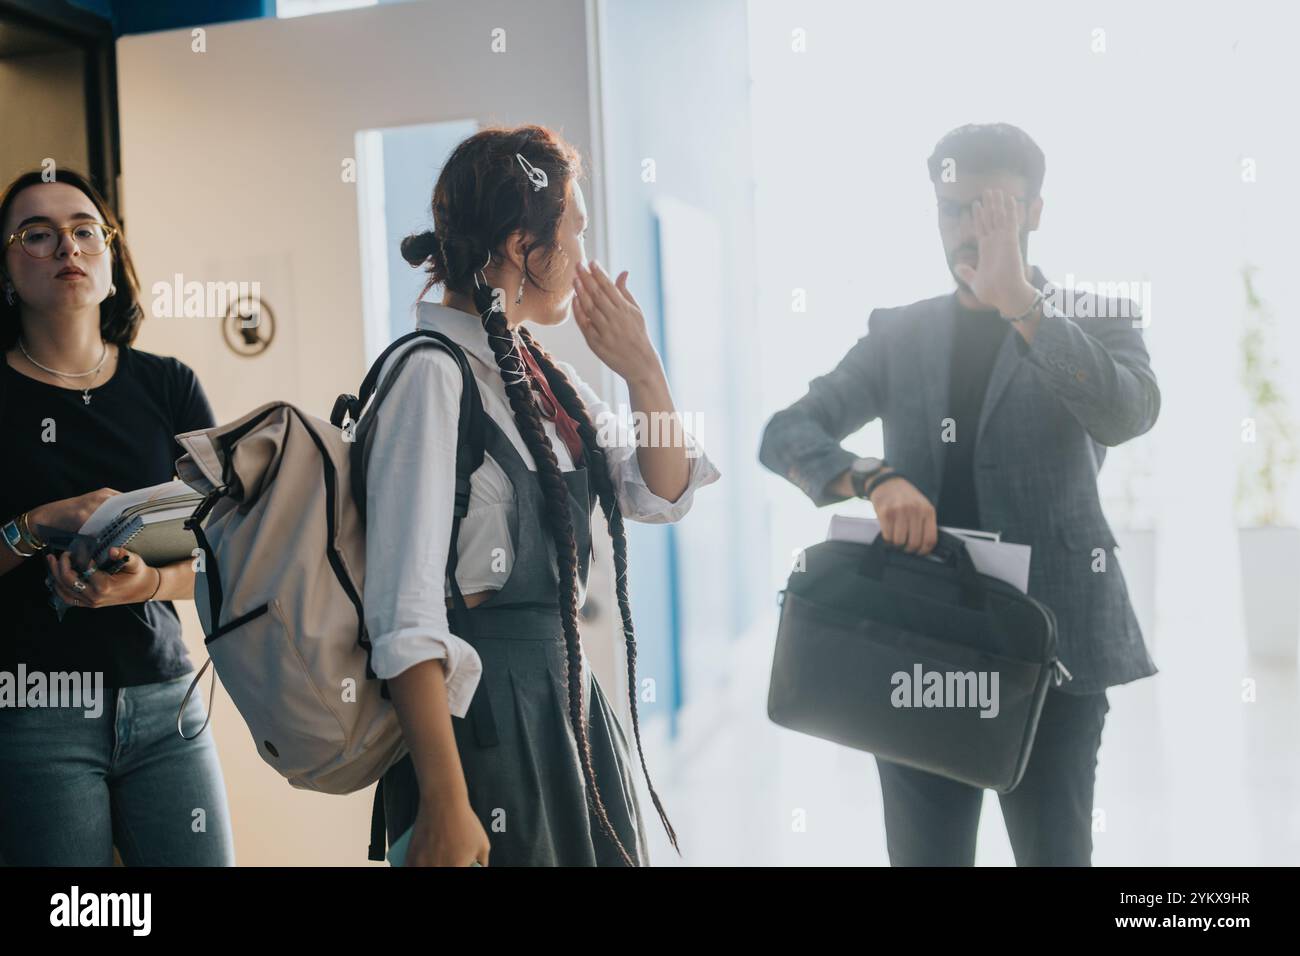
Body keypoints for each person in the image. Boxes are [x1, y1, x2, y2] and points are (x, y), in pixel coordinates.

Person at [758, 123, 1160, 866]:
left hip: (1054, 651)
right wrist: (873, 478)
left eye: (991, 209)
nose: (968, 229)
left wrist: (1022, 305)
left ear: (1035, 211)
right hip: (920, 645)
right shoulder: (899, 333)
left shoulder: (1099, 318)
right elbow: (784, 433)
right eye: (952, 210)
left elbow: (1127, 413)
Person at [364, 125, 721, 866]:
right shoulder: (430, 375)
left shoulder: (539, 373)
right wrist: (446, 802)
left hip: (570, 713)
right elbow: (404, 614)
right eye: (576, 235)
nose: (586, 259)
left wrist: (644, 372)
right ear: (525, 248)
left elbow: (662, 492)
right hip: (483, 730)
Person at [0, 168, 234, 865]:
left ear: (111, 258)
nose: (66, 247)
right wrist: (38, 524)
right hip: (33, 710)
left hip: (167, 702)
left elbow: (230, 551)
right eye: (36, 235)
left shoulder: (169, 385)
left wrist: (149, 584)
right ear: (8, 273)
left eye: (83, 231)